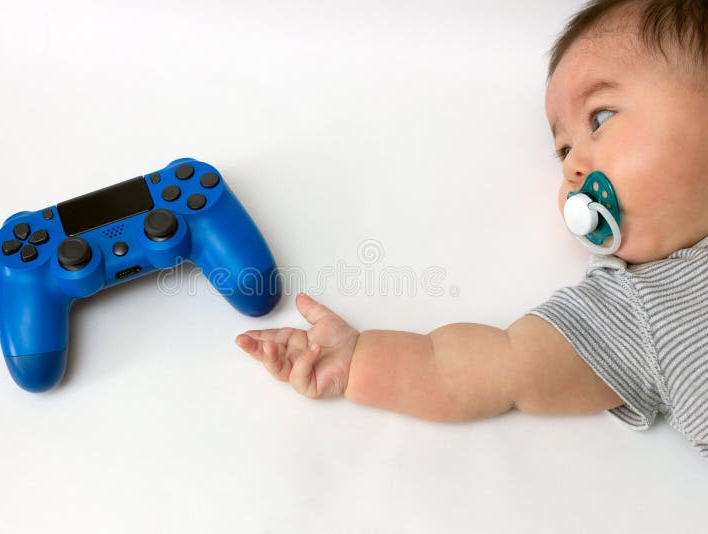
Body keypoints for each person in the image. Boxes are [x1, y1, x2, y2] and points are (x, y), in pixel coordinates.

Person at [235, 0, 708, 457]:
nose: (573, 169)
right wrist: (358, 361)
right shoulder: (640, 308)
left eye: (600, 118)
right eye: (563, 150)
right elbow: (492, 365)